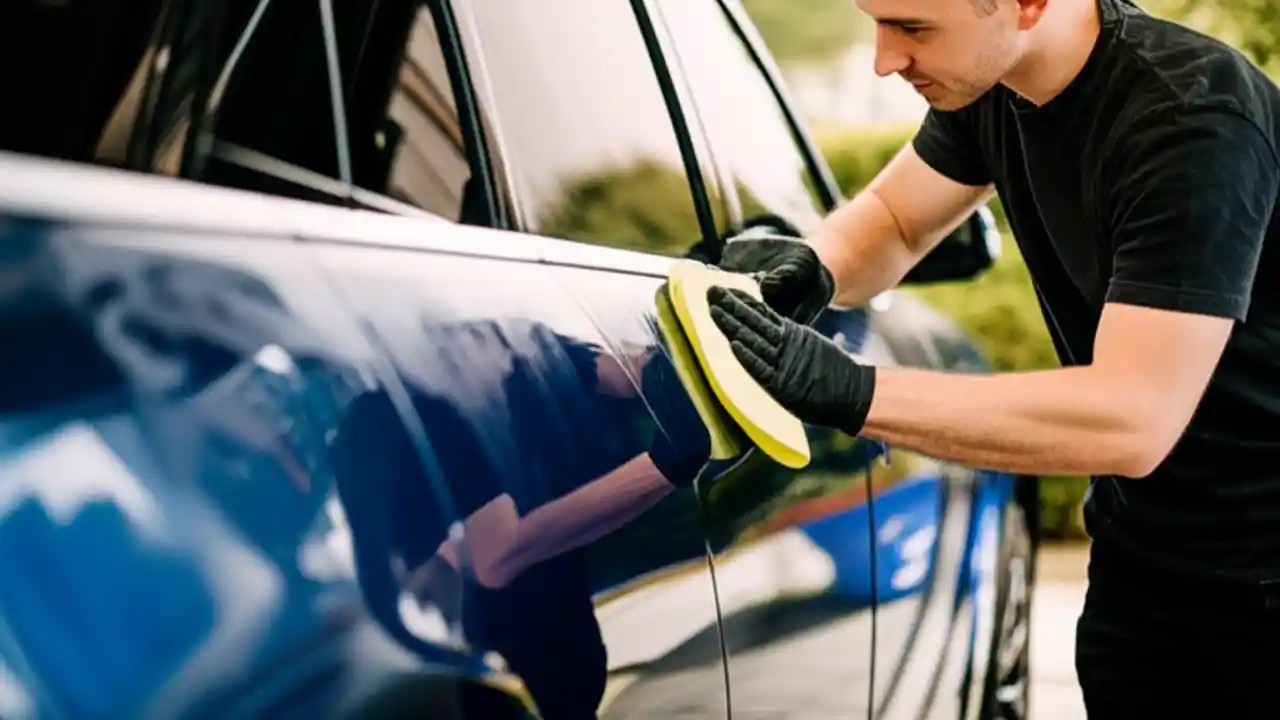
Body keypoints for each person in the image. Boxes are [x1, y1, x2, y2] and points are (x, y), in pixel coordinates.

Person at [710, 0, 1280, 716]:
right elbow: (895, 221)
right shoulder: (993, 82)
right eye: (876, 21)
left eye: (913, 28)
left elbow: (1132, 419)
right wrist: (817, 265)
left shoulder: (1190, 121)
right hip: (1143, 566)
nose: (885, 59)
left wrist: (852, 391)